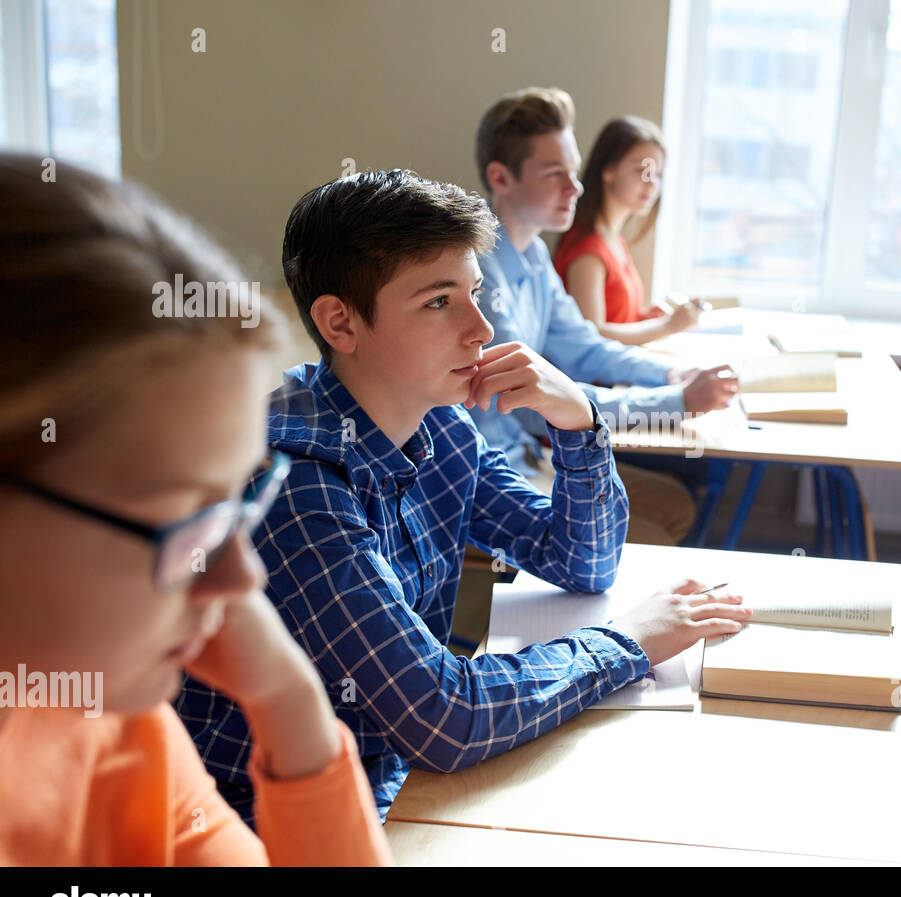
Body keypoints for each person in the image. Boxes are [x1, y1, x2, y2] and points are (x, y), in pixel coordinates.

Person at [174, 168, 750, 823]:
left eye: (476, 293)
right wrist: (630, 642)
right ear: (339, 322)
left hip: (389, 779)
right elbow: (442, 717)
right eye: (440, 301)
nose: (481, 329)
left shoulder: (440, 421)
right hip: (265, 825)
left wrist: (580, 419)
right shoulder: (296, 481)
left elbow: (580, 563)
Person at [0, 154, 390, 865]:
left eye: (244, 499)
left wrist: (293, 705)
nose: (244, 580)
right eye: (189, 521)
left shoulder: (114, 725)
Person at [469, 88, 737, 544]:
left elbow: (586, 347)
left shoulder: (532, 253)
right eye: (555, 174)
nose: (575, 188)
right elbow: (534, 404)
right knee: (653, 530)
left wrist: (668, 372)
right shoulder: (480, 272)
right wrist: (675, 403)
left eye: (573, 171)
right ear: (501, 177)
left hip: (532, 456)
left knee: (675, 507)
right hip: (493, 477)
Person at [554, 115, 702, 346]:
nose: (652, 183)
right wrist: (667, 327)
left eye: (658, 174)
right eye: (643, 170)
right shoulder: (587, 251)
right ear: (609, 170)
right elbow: (591, 336)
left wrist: (646, 320)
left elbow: (616, 319)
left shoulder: (613, 240)